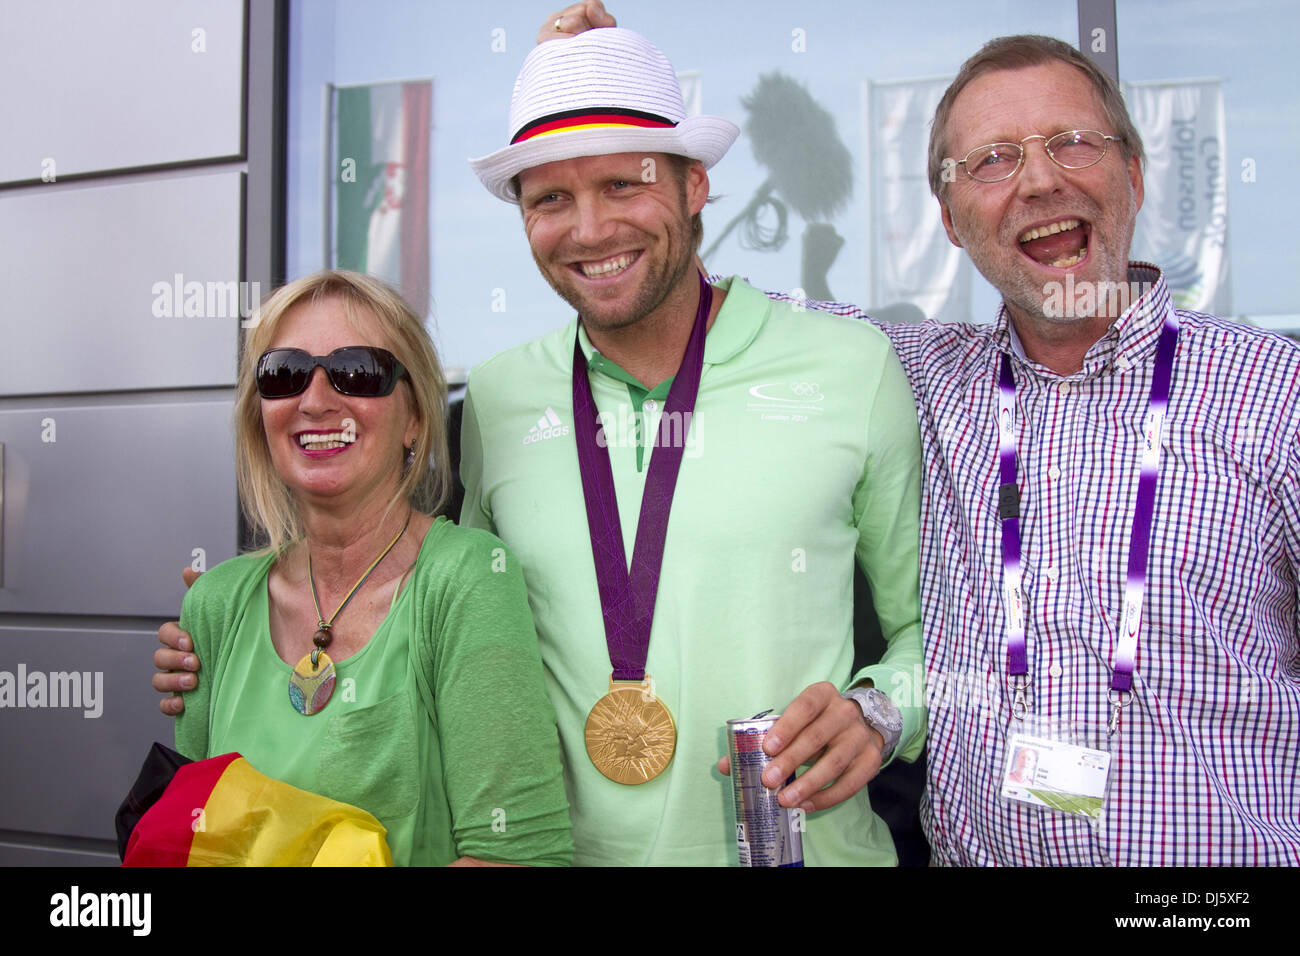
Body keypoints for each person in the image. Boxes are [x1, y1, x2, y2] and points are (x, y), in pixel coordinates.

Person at [533, 7, 1300, 866]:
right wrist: (593, 104)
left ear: (1135, 173)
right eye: (992, 161)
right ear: (949, 218)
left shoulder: (1277, 393)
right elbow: (677, 294)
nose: (1039, 180)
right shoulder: (909, 374)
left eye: (1073, 142)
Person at [456, 25, 925, 866]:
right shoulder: (494, 398)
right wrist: (256, 629)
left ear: (695, 184)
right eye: (549, 200)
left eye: (621, 184)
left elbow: (939, 633)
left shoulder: (849, 367)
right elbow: (454, 633)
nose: (589, 230)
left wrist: (884, 711)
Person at [166, 269, 572, 866]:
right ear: (262, 415)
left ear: (414, 419)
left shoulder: (465, 579)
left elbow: (516, 855)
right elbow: (196, 841)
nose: (316, 400)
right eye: (284, 374)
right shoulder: (215, 605)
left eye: (358, 371)